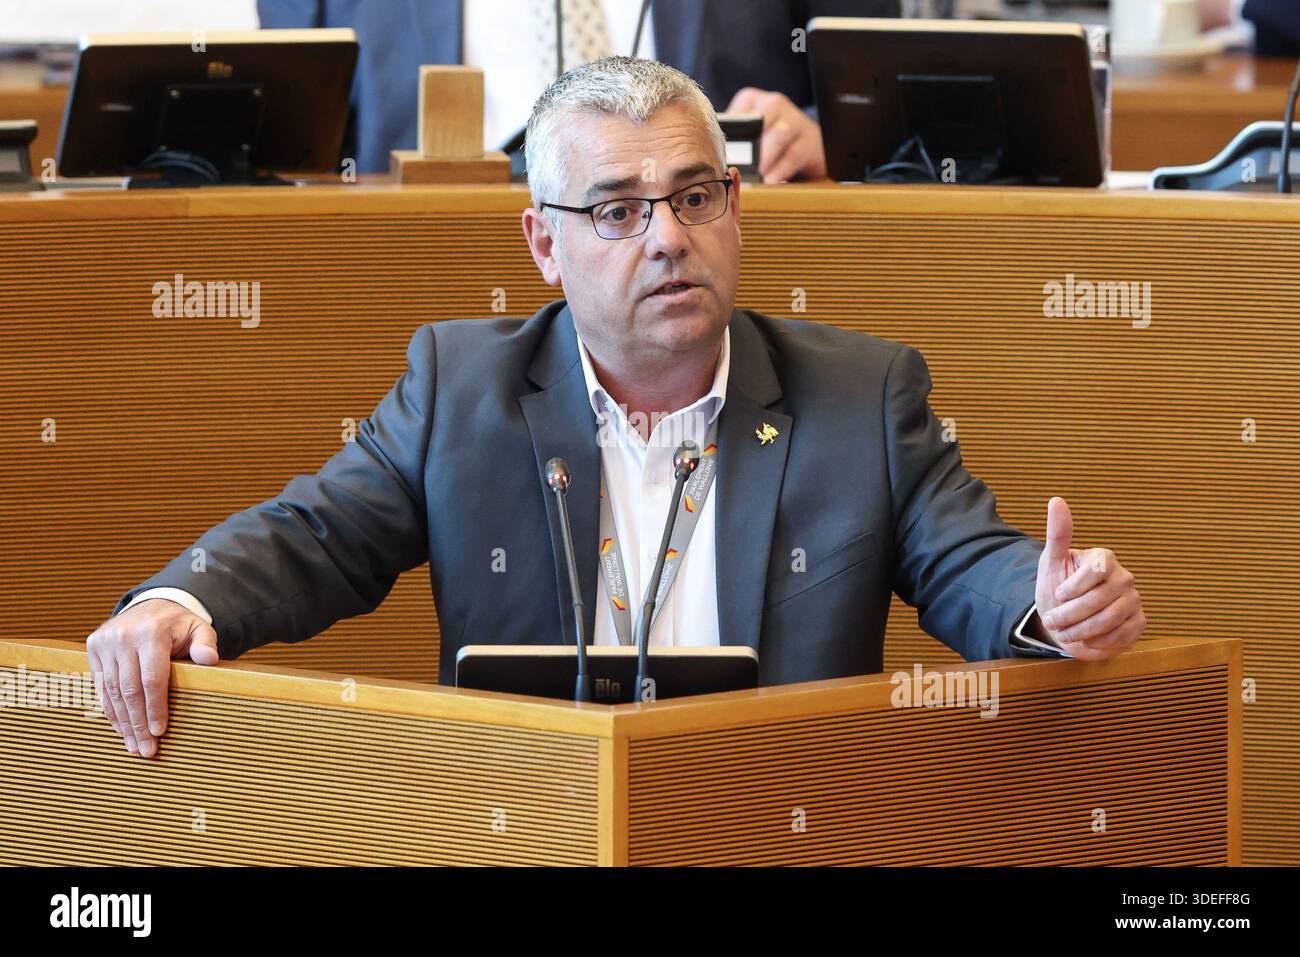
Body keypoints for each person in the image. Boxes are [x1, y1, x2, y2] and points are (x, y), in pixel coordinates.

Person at [87, 57, 1145, 759]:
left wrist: (1048, 607)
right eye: (616, 212)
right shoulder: (466, 390)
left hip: (777, 828)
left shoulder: (859, 395)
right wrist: (179, 605)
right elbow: (315, 534)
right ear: (543, 245)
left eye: (692, 198)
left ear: (734, 209)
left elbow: (973, 564)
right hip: (530, 829)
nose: (666, 238)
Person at [256, 0, 901, 182]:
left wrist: (827, 138)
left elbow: (886, 105)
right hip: (425, 289)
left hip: (718, 285)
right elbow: (289, 150)